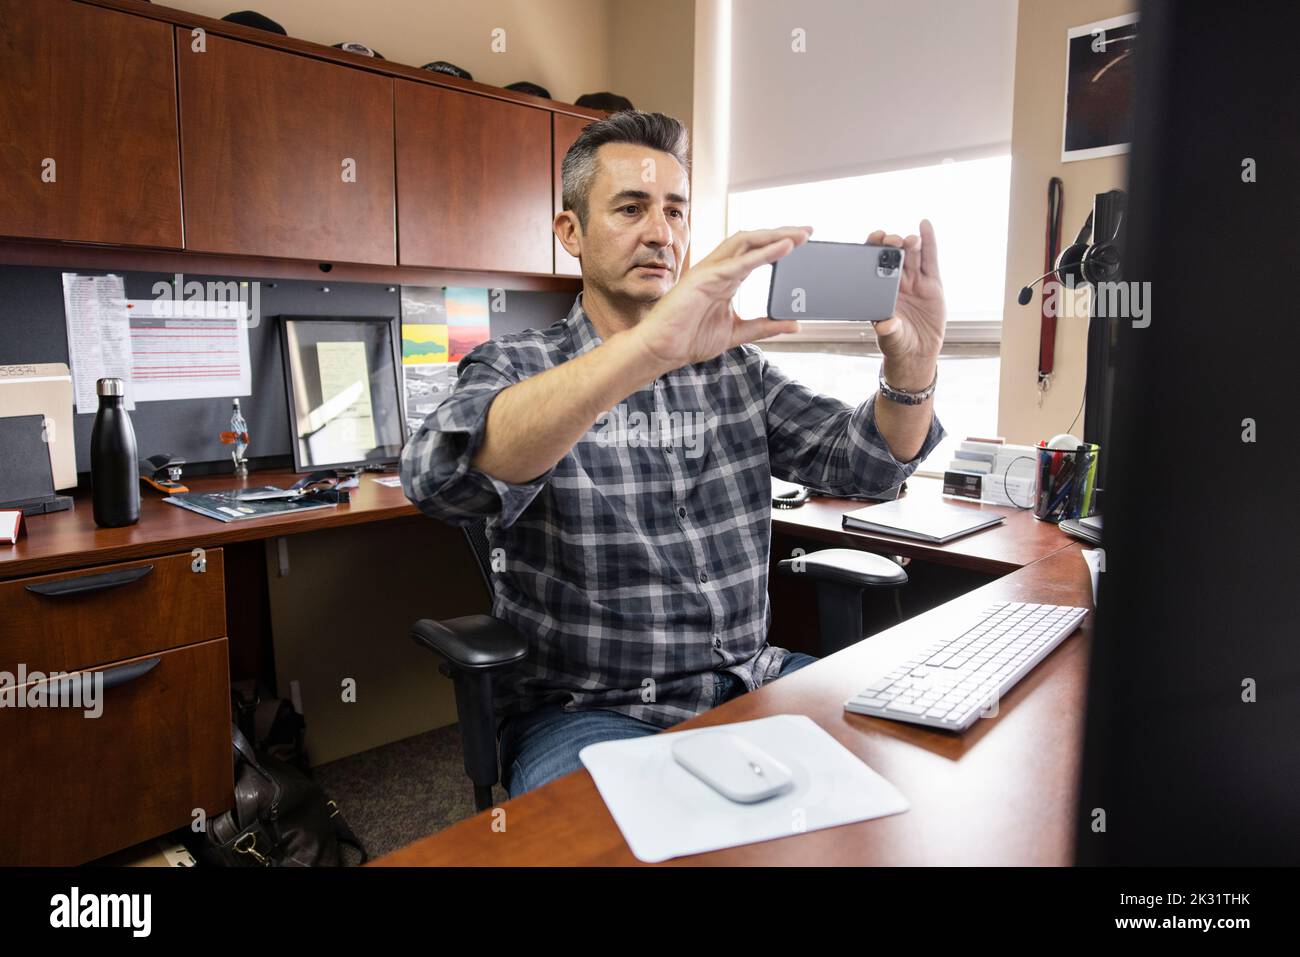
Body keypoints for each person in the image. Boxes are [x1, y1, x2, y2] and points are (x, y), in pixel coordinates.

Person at [401, 110, 947, 798]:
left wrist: (913, 367)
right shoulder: (516, 365)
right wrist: (646, 349)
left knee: (912, 781)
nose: (661, 233)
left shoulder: (731, 369)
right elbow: (437, 479)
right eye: (631, 208)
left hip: (756, 679)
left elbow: (869, 464)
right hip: (593, 710)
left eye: (676, 211)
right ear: (571, 231)